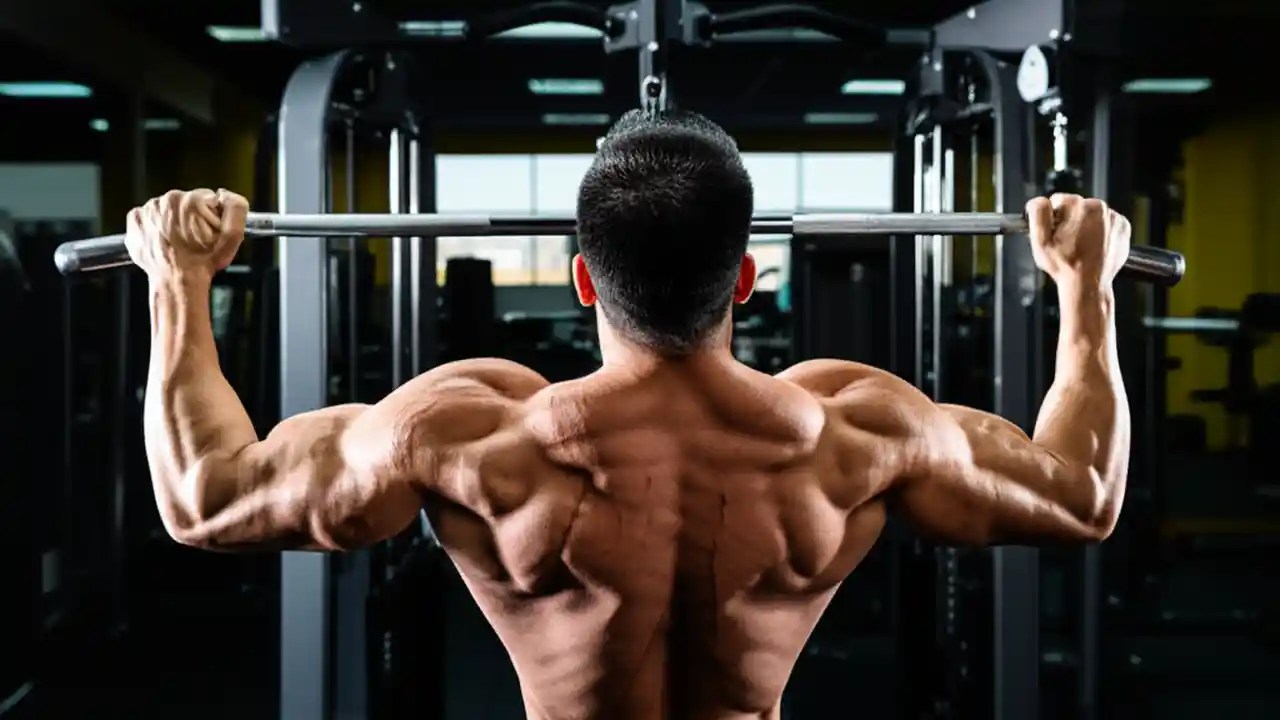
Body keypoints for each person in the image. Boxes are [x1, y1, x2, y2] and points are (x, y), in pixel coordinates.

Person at [124, 110, 1131, 720]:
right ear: (745, 279)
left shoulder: (467, 433)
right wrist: (1085, 287)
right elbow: (1081, 494)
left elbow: (206, 499)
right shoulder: (857, 429)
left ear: (582, 281)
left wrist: (178, 282)